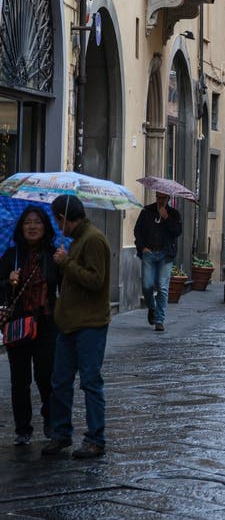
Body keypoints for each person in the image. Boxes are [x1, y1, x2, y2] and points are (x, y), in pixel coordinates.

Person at [42, 195, 111, 459]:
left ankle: (96, 439)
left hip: (89, 325)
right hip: (69, 325)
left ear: (62, 218)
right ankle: (61, 434)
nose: (57, 225)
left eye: (56, 220)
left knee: (90, 382)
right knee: (60, 381)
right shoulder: (77, 240)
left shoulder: (92, 239)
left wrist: (66, 263)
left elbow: (95, 280)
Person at [0, 206, 60, 446]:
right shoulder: (11, 256)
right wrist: (8, 280)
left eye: (37, 222)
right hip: (18, 324)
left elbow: (63, 288)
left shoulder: (54, 255)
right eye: (27, 222)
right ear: (20, 227)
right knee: (20, 379)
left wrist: (64, 264)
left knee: (46, 376)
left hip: (46, 324)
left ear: (45, 227)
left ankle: (49, 420)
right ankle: (22, 428)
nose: (32, 226)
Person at [134, 191, 182, 332]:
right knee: (147, 286)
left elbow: (177, 232)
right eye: (158, 197)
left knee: (162, 287)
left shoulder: (174, 214)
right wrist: (142, 247)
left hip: (165, 255)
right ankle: (152, 307)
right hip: (149, 253)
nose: (160, 200)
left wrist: (166, 218)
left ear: (168, 198)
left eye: (163, 198)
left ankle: (159, 319)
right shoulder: (147, 211)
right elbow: (137, 230)